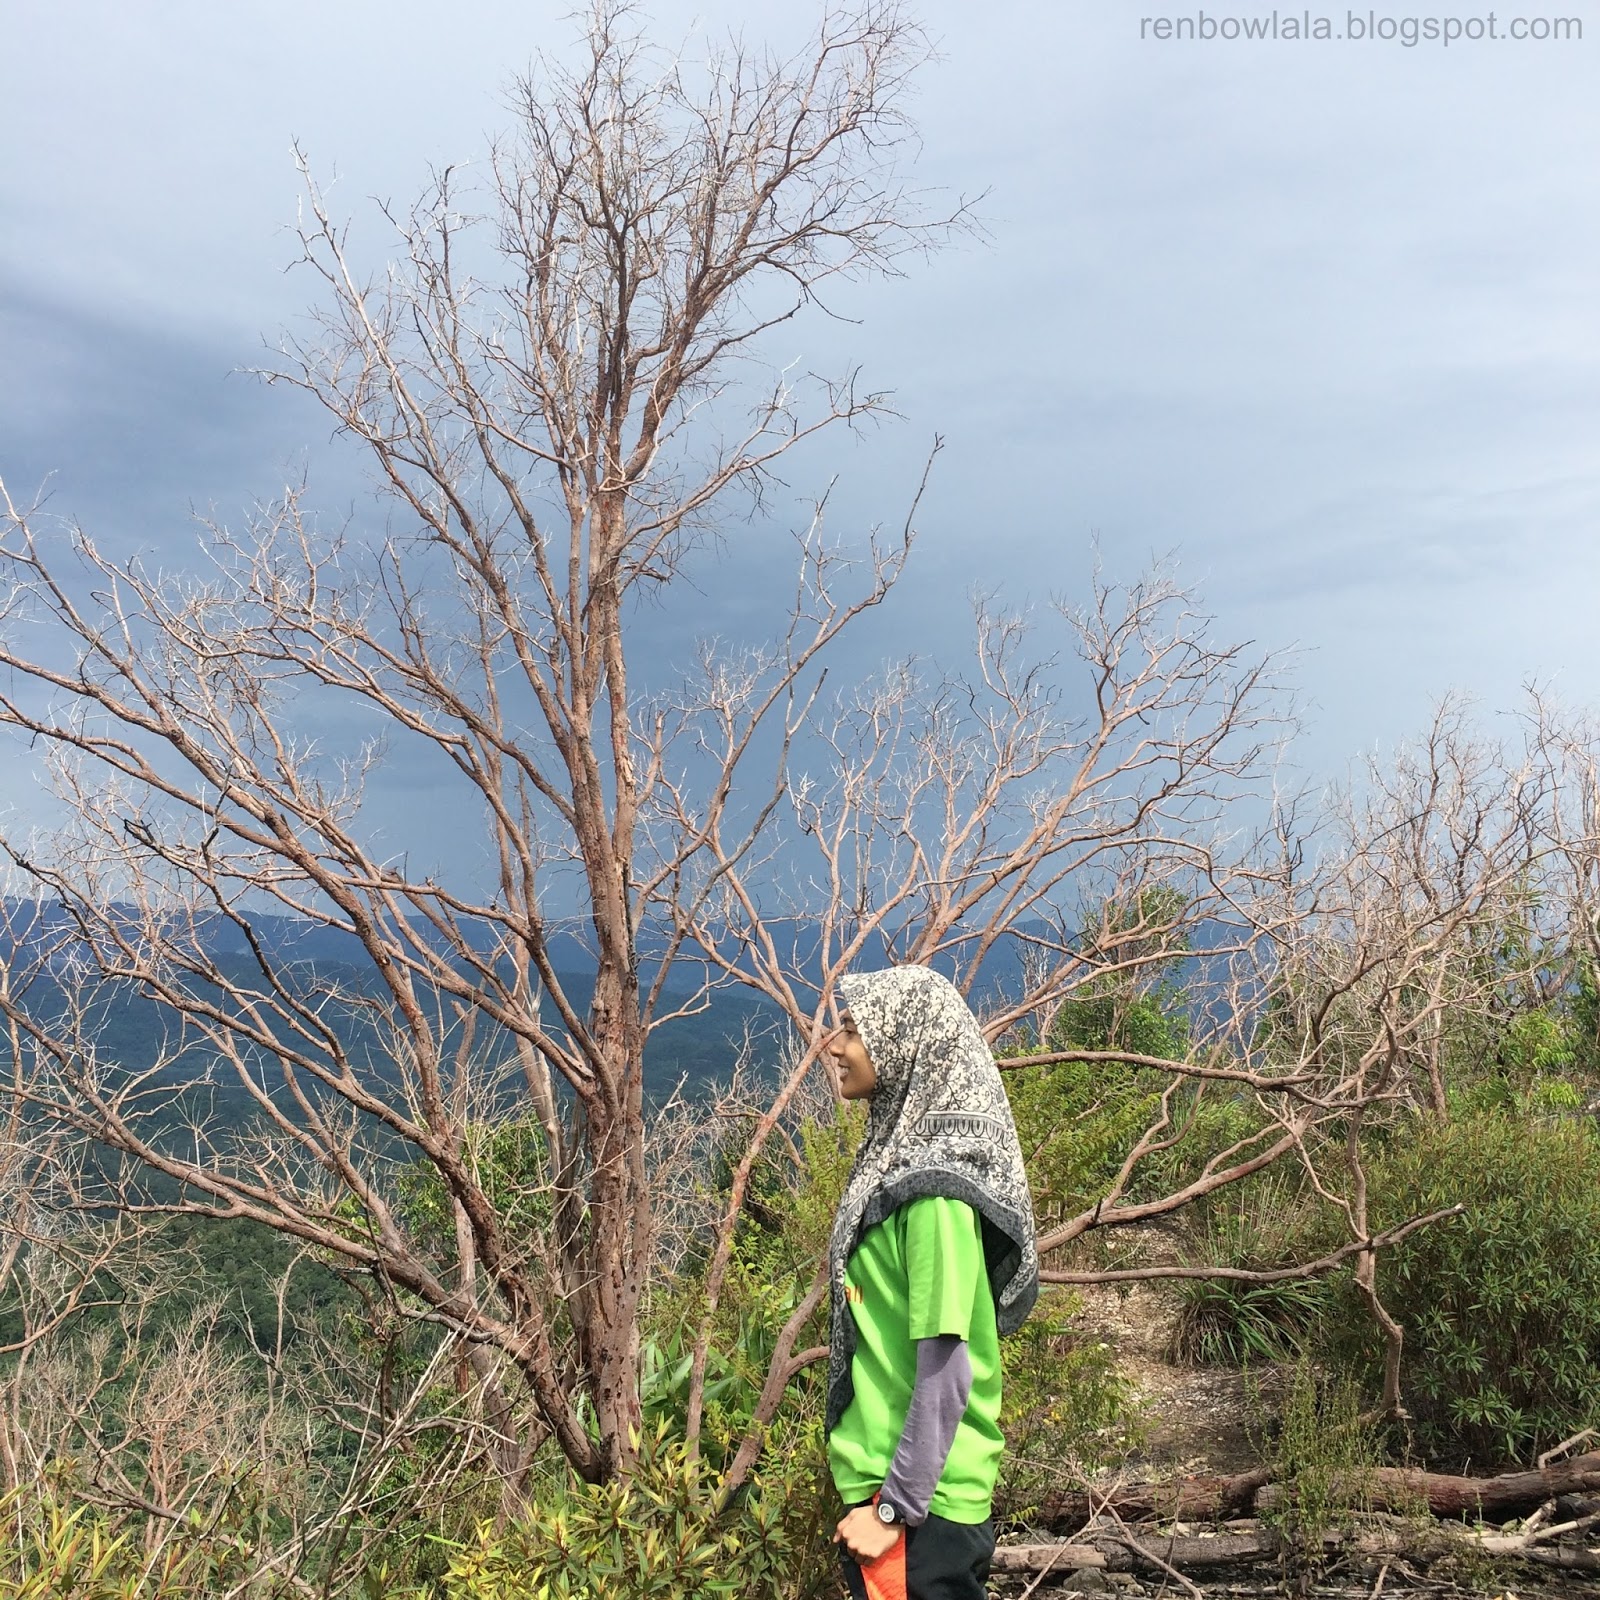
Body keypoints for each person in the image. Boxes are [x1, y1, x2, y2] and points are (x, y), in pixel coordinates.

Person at [824, 964, 1039, 1600]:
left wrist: (892, 1511)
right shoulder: (900, 1174)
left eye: (855, 1030)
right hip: (901, 1502)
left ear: (904, 1046)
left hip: (916, 1515)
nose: (835, 1045)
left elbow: (947, 1373)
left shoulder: (934, 1202)